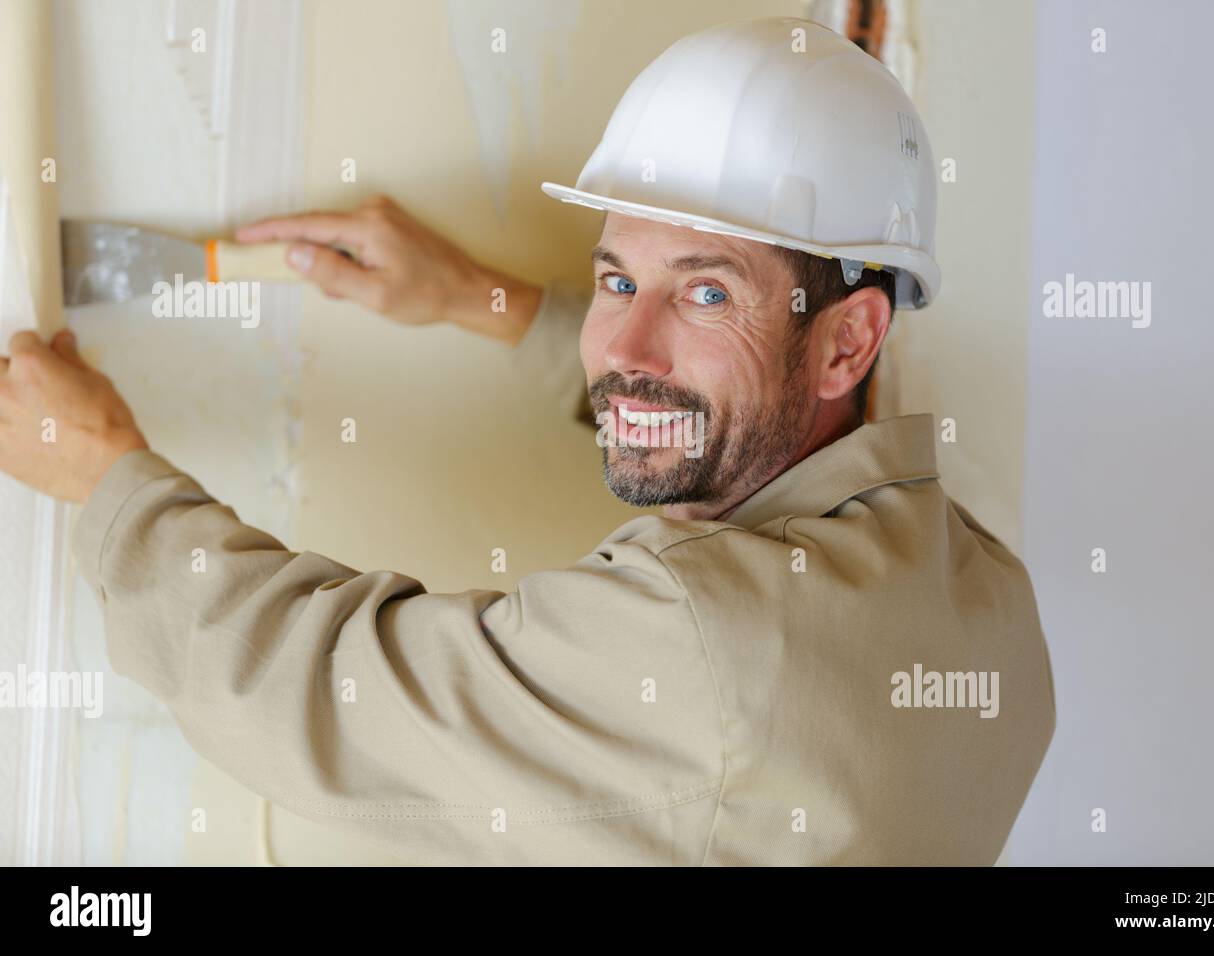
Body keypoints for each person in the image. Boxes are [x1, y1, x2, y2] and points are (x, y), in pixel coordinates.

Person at [0, 17, 1053, 864]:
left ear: (846, 341)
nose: (622, 344)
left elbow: (328, 693)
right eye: (616, 279)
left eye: (706, 288)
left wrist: (104, 471)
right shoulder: (984, 598)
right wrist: (473, 294)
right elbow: (705, 408)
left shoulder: (703, 639)